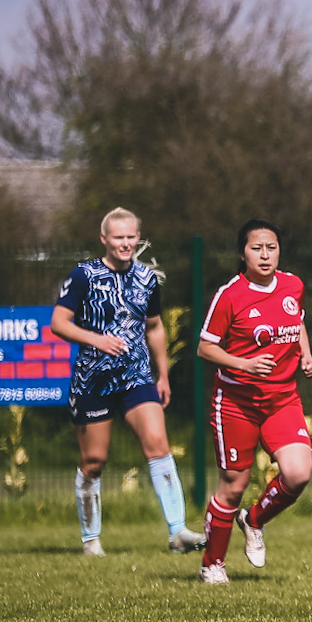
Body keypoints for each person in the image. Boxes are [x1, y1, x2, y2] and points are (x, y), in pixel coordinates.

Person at [50, 208, 203, 556]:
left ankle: (178, 531)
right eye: (118, 237)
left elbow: (154, 326)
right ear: (104, 239)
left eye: (131, 237)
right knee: (94, 462)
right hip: (93, 381)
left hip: (137, 378)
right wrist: (97, 339)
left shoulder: (147, 278)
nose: (126, 243)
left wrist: (162, 374)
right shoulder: (84, 275)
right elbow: (59, 322)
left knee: (157, 442)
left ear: (139, 237)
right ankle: (91, 538)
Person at [193, 221, 312, 585]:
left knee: (298, 473)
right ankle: (213, 563)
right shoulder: (230, 295)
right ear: (241, 253)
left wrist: (306, 356)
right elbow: (205, 347)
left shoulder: (293, 285)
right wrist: (244, 363)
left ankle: (254, 520)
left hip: (282, 400)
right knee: (233, 484)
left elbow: (297, 322)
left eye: (271, 247)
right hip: (236, 402)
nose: (265, 255)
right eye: (256, 248)